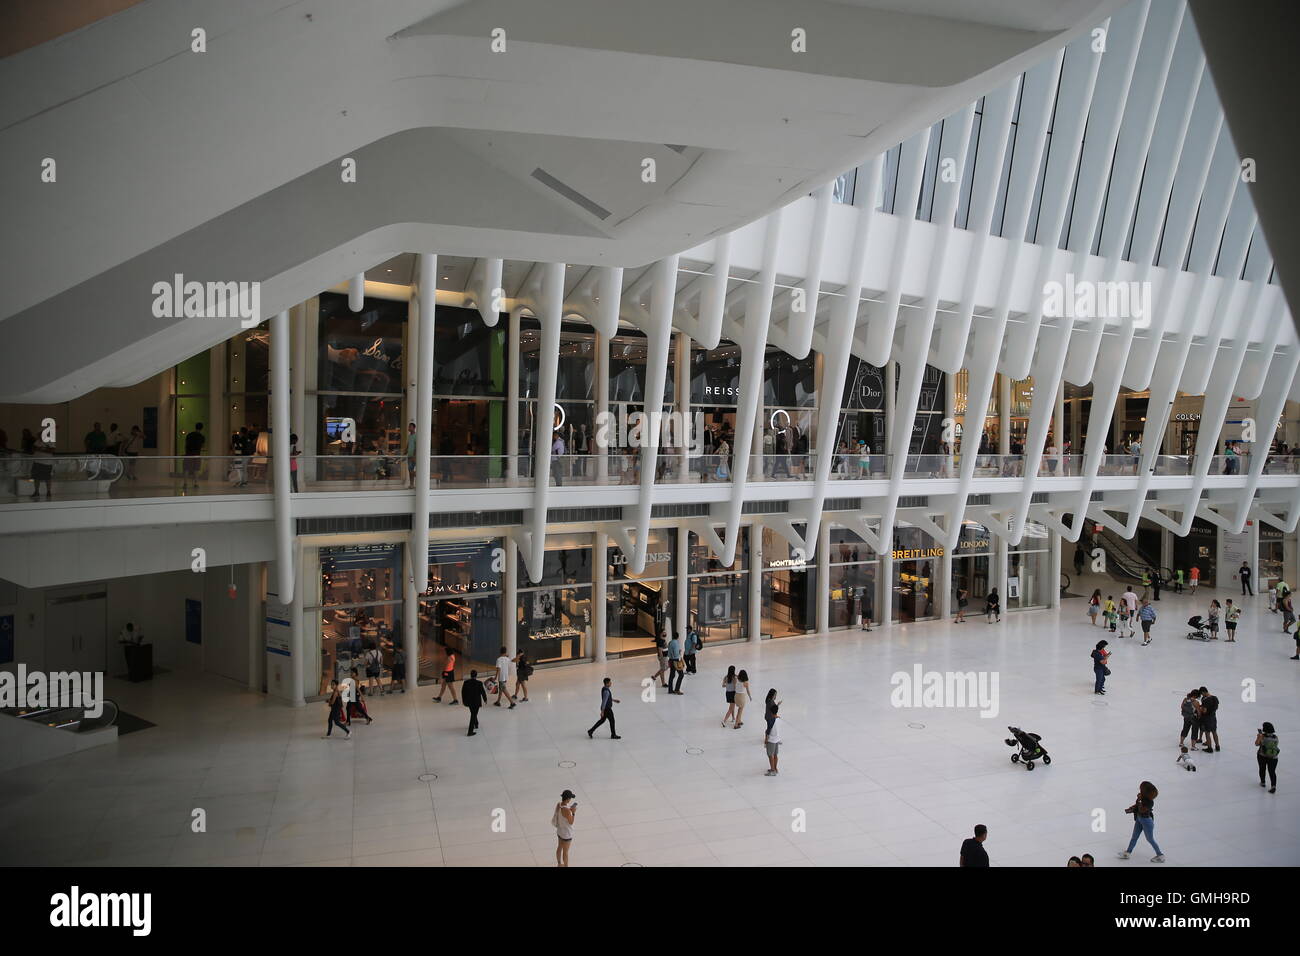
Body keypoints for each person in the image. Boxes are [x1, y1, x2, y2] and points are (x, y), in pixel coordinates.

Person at [1117, 781, 1164, 862]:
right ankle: (1128, 852)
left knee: (1150, 839)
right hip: (1139, 819)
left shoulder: (1150, 802)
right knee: (1134, 837)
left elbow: (1142, 810)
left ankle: (1160, 855)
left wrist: (1139, 800)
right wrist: (1133, 807)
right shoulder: (1143, 798)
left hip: (1146, 822)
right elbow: (1138, 807)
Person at [553, 790, 577, 866]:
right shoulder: (567, 810)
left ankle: (559, 863)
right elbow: (571, 822)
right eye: (570, 798)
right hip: (566, 834)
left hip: (560, 831)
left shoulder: (559, 804)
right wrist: (573, 812)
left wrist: (569, 809)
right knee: (566, 852)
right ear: (568, 799)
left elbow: (563, 811)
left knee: (559, 847)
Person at [460, 670, 486, 736]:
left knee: (473, 713)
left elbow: (463, 692)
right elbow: (482, 692)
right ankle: (470, 731)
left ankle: (476, 723)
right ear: (476, 675)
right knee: (473, 715)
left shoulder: (466, 682)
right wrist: (485, 699)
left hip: (469, 702)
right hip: (476, 702)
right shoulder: (479, 683)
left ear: (470, 675)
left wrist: (463, 700)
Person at [1256, 722, 1280, 793]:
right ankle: (1273, 786)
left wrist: (1259, 737)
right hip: (1273, 757)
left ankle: (1263, 782)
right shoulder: (1275, 737)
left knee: (1262, 768)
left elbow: (1256, 744)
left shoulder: (1262, 736)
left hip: (1262, 755)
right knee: (1272, 771)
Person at [182, 422, 205, 489]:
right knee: (196, 470)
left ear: (195, 427)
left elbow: (186, 444)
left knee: (186, 469)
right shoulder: (202, 437)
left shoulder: (189, 435)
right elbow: (202, 446)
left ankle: (185, 483)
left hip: (188, 454)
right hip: (197, 455)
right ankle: (196, 483)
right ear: (201, 428)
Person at [1198, 686, 1220, 753]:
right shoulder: (1215, 698)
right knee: (1214, 732)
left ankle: (1209, 748)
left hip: (1207, 718)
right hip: (1213, 717)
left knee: (1207, 733)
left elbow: (1204, 711)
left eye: (1202, 694)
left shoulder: (1205, 700)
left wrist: (1200, 709)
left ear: (1203, 692)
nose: (1202, 695)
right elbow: (1216, 707)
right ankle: (1217, 746)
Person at [764, 704, 783, 776]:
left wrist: (766, 740)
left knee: (770, 755)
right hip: (777, 738)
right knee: (775, 754)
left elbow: (768, 731)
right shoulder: (779, 719)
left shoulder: (771, 720)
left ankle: (772, 770)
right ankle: (775, 768)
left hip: (771, 739)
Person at [405, 422, 418, 488]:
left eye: (410, 427)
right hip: (409, 456)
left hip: (414, 456)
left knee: (412, 470)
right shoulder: (409, 436)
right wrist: (405, 451)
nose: (409, 428)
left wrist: (414, 455)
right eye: (409, 426)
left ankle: (420, 477)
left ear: (414, 428)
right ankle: (411, 484)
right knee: (410, 470)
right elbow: (408, 445)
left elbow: (416, 446)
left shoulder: (416, 436)